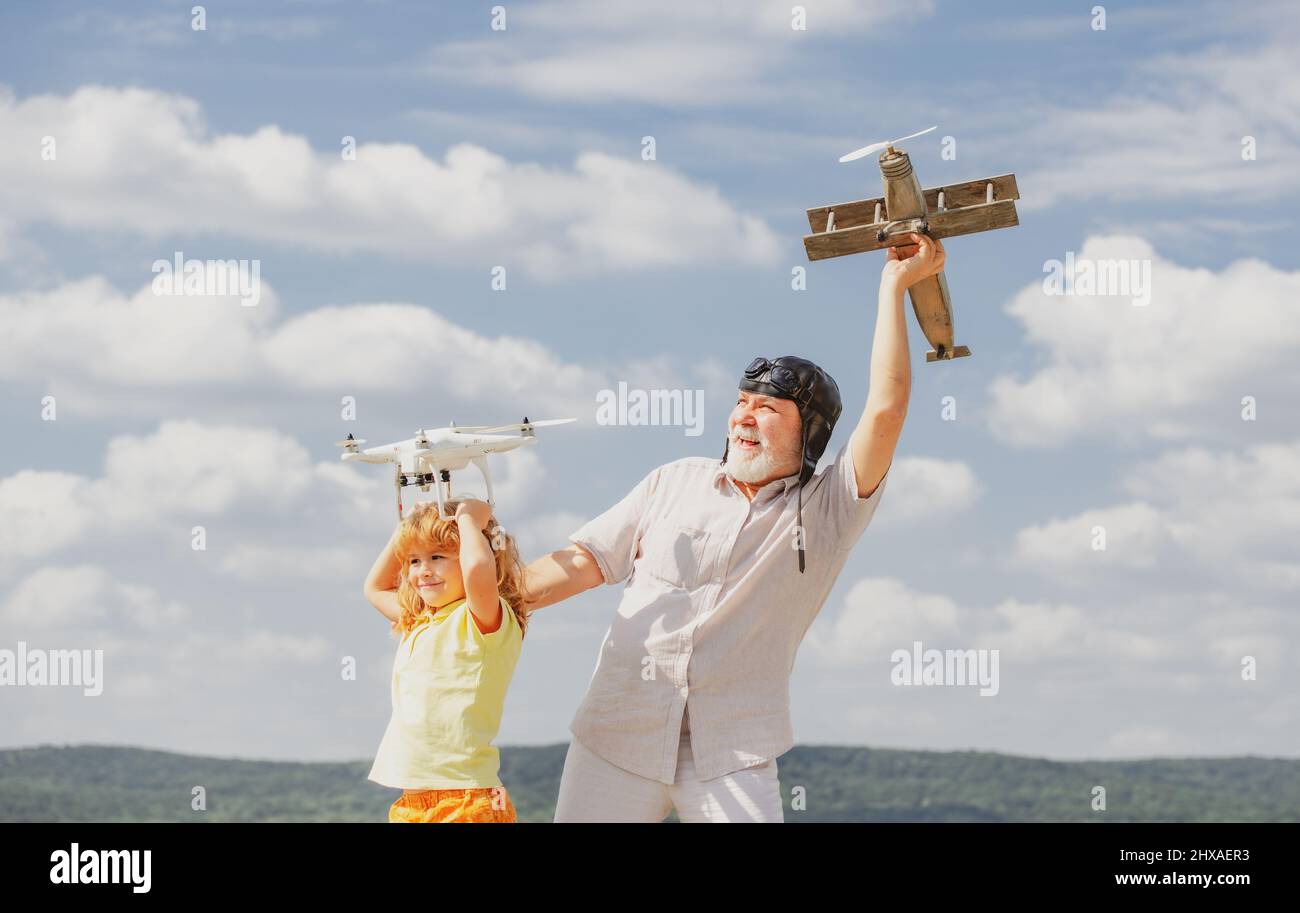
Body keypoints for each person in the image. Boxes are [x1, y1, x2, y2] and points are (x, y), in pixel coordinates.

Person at [523, 233, 946, 822]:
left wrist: (893, 287)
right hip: (616, 735)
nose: (745, 415)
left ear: (810, 436)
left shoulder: (827, 510)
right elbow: (580, 563)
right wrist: (486, 601)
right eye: (742, 401)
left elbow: (887, 408)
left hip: (731, 753)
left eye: (768, 408)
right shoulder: (673, 480)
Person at [363, 496, 529, 823]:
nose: (422, 571)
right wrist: (406, 531)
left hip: (467, 797)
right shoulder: (419, 621)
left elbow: (478, 569)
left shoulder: (479, 617)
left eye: (437, 557)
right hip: (414, 800)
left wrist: (469, 521)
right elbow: (374, 587)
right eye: (413, 561)